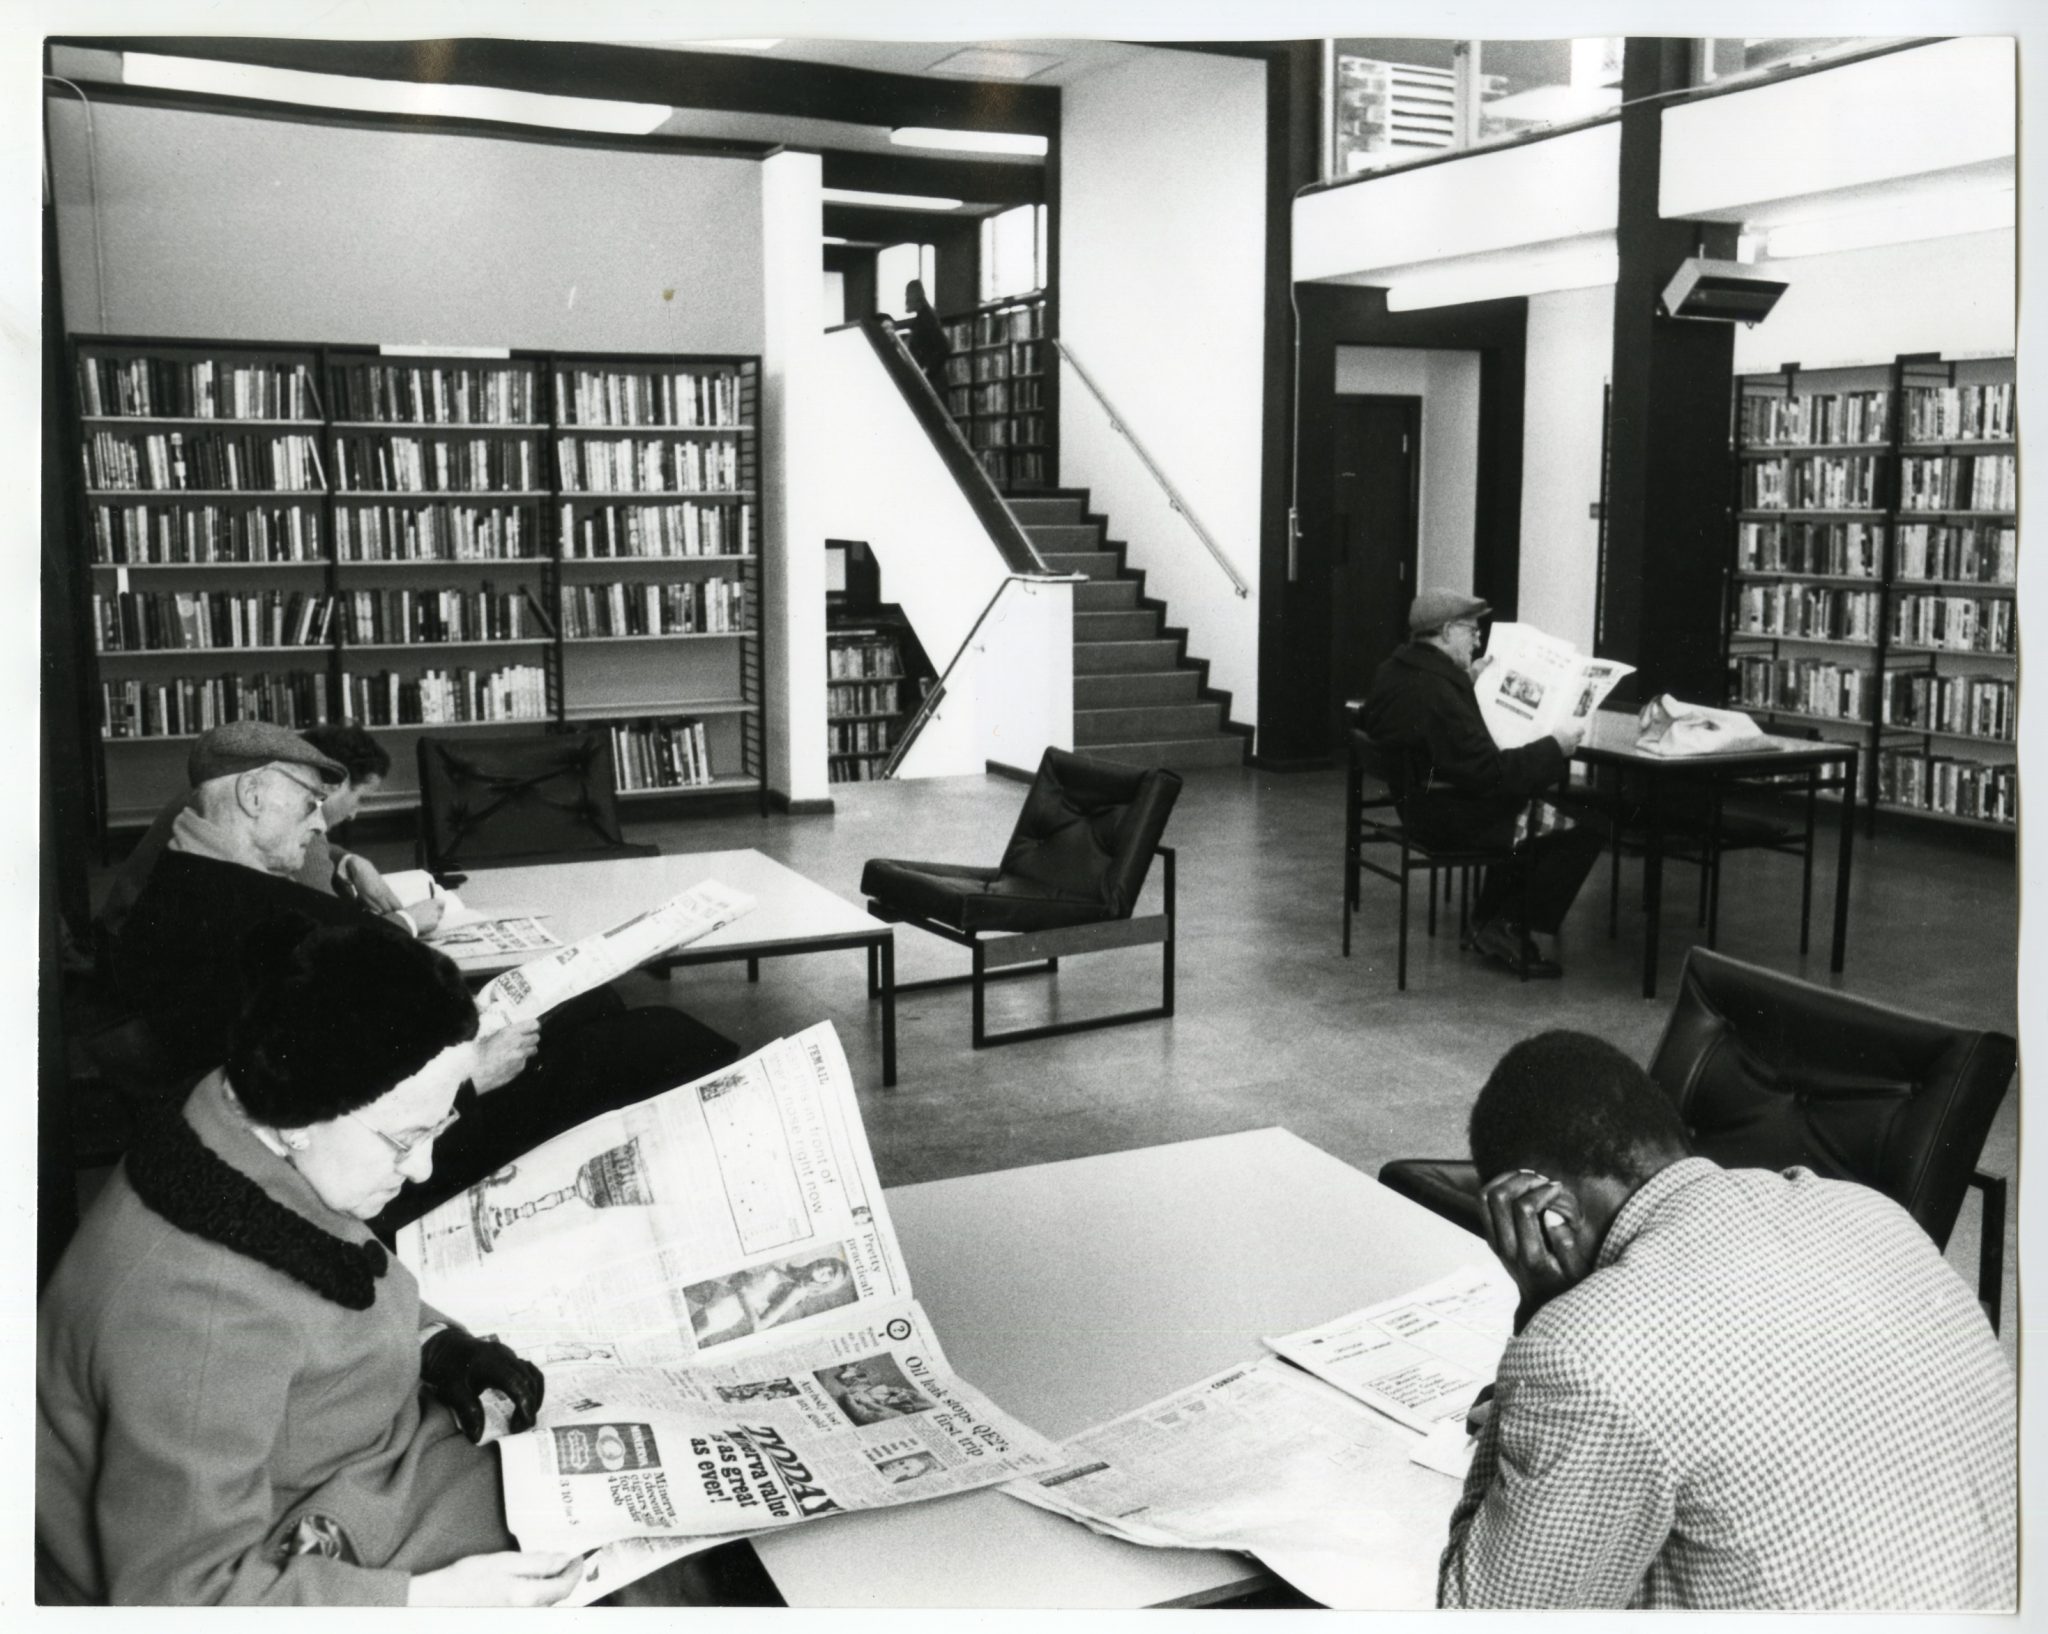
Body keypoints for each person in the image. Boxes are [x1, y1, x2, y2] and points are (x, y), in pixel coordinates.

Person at [38, 922, 583, 1605]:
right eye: (405, 1139)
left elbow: (330, 1271)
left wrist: (437, 1342)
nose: (422, 1168)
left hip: (347, 1466)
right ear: (300, 1123)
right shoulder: (199, 1320)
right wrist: (434, 1603)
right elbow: (178, 1597)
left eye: (437, 1127)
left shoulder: (241, 1125)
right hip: (286, 1550)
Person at [1439, 1029, 2016, 1610]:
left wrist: (1541, 1310)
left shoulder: (1585, 1350)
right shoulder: (1871, 1211)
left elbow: (1486, 1612)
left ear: (1548, 1216)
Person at [110, 719, 738, 1234]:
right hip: (391, 1159)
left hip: (378, 1097)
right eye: (309, 804)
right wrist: (472, 1077)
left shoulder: (189, 885)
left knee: (596, 1004)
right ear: (253, 796)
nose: (321, 824)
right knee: (661, 1037)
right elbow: (315, 1111)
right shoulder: (254, 923)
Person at [1358, 588, 1603, 977]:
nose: (1477, 641)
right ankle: (1503, 927)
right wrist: (1554, 747)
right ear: (1447, 631)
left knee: (1533, 799)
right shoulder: (1437, 692)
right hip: (1451, 816)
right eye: (1472, 631)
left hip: (1418, 804)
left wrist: (1466, 683)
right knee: (1585, 827)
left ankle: (1489, 920)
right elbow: (1492, 774)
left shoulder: (1396, 670)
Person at [94, 720, 431, 942]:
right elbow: (331, 937)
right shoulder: (275, 818)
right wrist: (407, 921)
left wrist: (349, 860)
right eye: (360, 798)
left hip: (121, 936)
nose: (356, 814)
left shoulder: (219, 791)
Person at [900, 278, 951, 391]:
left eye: (907, 295)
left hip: (933, 381)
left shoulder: (927, 318)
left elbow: (944, 347)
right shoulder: (923, 318)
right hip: (930, 380)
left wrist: (927, 370)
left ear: (914, 296)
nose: (906, 300)